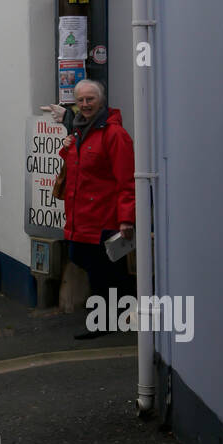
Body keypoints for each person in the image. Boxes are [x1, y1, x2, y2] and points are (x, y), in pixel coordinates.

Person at [52, 79, 136, 340]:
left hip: (104, 218)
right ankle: (124, 313)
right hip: (81, 218)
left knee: (105, 272)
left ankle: (105, 322)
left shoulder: (114, 135)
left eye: (91, 99)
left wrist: (126, 219)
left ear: (102, 100)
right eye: (81, 100)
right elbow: (77, 169)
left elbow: (127, 180)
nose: (85, 104)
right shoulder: (79, 130)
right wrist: (66, 149)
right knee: (87, 262)